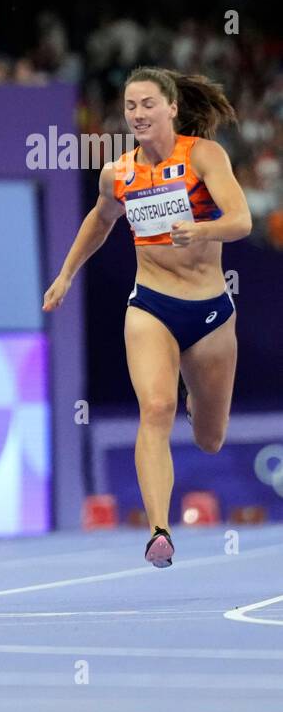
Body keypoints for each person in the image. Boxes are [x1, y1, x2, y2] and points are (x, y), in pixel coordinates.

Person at [44, 67, 250, 567]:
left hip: (209, 313)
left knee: (209, 437)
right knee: (154, 408)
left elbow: (241, 221)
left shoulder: (203, 156)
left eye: (147, 104)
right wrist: (67, 274)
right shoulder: (119, 173)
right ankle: (160, 530)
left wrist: (199, 231)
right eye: (130, 105)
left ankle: (193, 401)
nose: (137, 113)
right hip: (151, 305)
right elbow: (100, 218)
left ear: (172, 108)